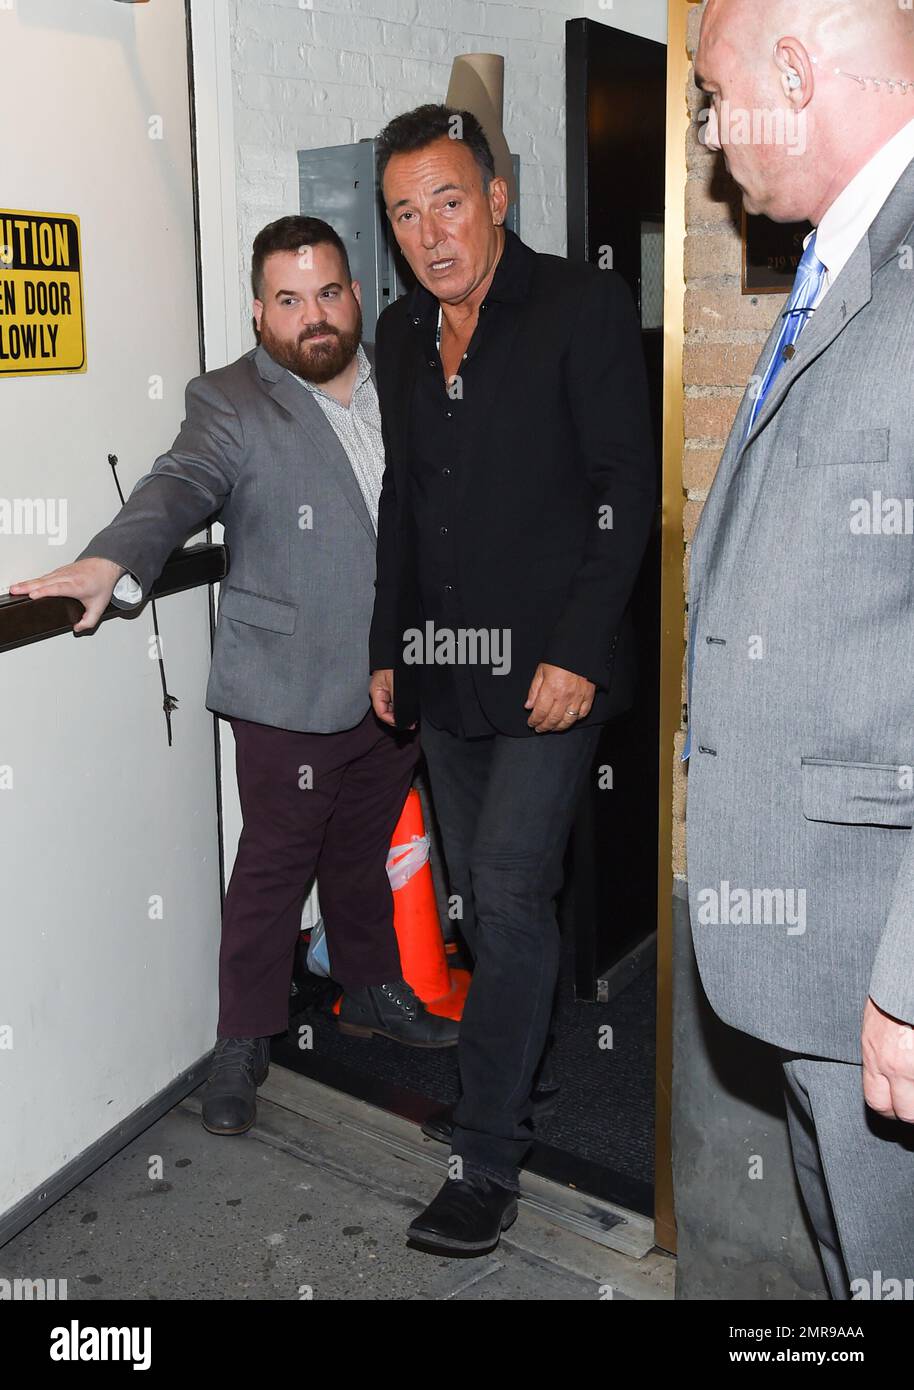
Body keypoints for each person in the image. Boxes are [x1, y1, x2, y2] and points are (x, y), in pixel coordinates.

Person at [11, 215, 457, 1138]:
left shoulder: (411, 377)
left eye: (327, 292)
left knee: (362, 846)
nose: (312, 316)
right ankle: (243, 1038)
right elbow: (180, 482)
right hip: (287, 683)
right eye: (288, 300)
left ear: (356, 295)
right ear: (260, 313)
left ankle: (371, 989)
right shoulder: (228, 400)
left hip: (396, 676)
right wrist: (109, 562)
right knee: (272, 864)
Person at [367, 104, 655, 1255]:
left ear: (497, 196)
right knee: (493, 908)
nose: (430, 231)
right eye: (404, 212)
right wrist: (388, 641)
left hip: (547, 673)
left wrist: (580, 648)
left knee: (506, 885)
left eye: (448, 199)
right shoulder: (398, 335)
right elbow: (403, 502)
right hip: (445, 672)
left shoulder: (579, 306)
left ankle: (483, 1158)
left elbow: (624, 488)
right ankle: (517, 1087)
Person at [688, 0, 914, 1298]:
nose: (715, 141)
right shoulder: (842, 264)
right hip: (813, 947)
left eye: (716, 98)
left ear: (790, 69)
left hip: (874, 956)